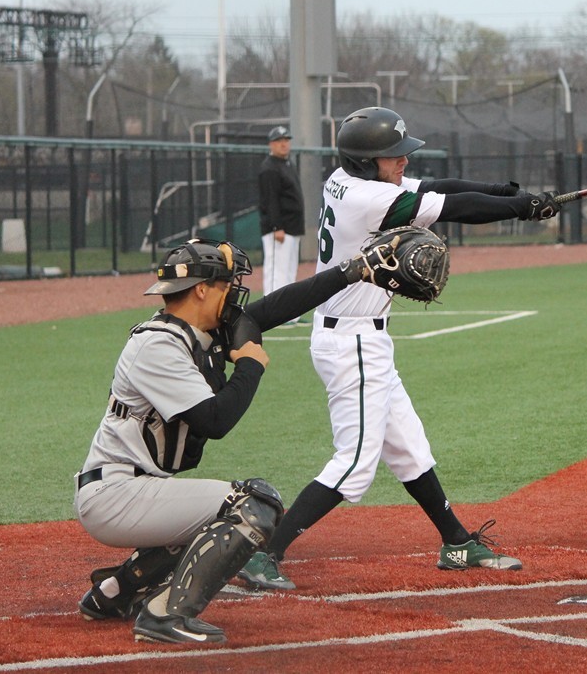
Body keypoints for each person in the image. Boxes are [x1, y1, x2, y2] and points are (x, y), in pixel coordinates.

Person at [238, 106, 560, 590]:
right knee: (354, 463)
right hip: (353, 342)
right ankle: (264, 554)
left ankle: (456, 541)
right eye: (393, 156)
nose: (403, 162)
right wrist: (523, 209)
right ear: (368, 163)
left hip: (360, 336)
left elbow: (436, 189)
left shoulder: (343, 178)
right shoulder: (371, 200)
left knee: (409, 446)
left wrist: (505, 193)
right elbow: (453, 208)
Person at [73, 237, 377, 645]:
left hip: (131, 487)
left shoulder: (194, 331)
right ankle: (166, 615)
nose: (234, 294)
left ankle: (113, 594)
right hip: (115, 493)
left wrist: (351, 271)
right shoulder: (158, 344)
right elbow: (215, 420)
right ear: (202, 289)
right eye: (226, 285)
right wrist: (250, 367)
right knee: (254, 505)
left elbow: (277, 306)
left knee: (210, 519)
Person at [258, 125, 305, 305]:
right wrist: (277, 227)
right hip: (279, 229)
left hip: (292, 227)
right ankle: (272, 309)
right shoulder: (269, 168)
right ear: (271, 144)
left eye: (286, 140)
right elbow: (270, 201)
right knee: (276, 271)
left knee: (288, 270)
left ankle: (288, 312)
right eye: (279, 141)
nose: (284, 144)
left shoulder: (287, 164)